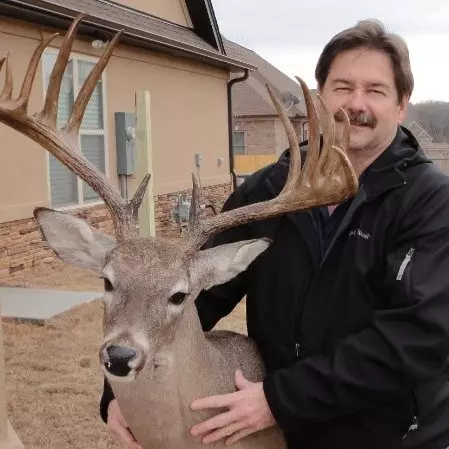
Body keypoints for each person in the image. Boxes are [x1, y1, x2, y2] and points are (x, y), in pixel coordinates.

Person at [101, 19, 449, 449]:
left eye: (376, 90)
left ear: (400, 106)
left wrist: (280, 399)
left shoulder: (430, 201)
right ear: (320, 98)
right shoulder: (269, 190)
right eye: (343, 87)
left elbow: (417, 338)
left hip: (388, 434)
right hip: (286, 432)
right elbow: (188, 290)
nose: (357, 103)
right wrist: (118, 392)